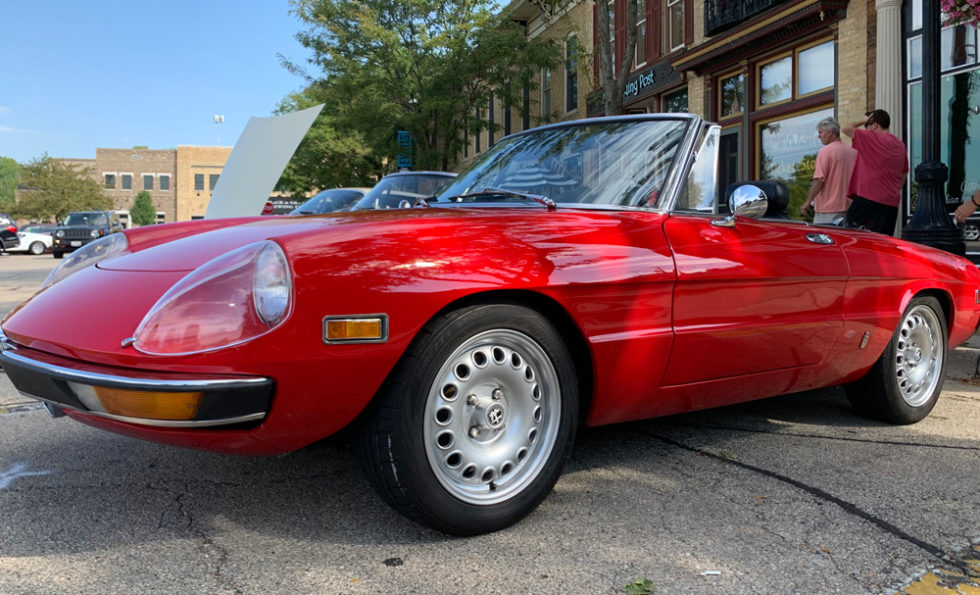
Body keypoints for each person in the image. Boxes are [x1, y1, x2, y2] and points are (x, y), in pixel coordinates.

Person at [841, 109, 909, 234]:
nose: (865, 129)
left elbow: (845, 128)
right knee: (882, 242)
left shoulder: (872, 137)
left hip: (869, 197)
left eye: (866, 126)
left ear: (875, 125)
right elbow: (904, 174)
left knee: (851, 232)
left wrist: (863, 120)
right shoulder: (900, 145)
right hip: (891, 202)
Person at [800, 117, 857, 224]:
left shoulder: (825, 151)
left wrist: (807, 201)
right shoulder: (854, 153)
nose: (818, 136)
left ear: (830, 133)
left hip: (828, 210)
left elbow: (819, 180)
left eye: (821, 132)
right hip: (850, 208)